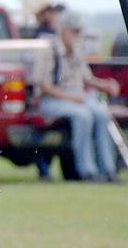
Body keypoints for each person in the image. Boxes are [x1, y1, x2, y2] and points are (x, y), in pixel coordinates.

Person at [35, 11, 121, 182]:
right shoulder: (49, 51)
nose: (78, 35)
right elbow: (43, 86)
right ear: (63, 31)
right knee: (83, 116)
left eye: (79, 31)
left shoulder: (78, 50)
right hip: (53, 101)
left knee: (102, 114)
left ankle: (108, 169)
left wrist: (106, 85)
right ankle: (86, 170)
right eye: (74, 31)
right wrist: (70, 98)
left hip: (77, 98)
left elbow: (86, 78)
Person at [28, 0, 65, 179]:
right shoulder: (41, 38)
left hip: (52, 94)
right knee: (42, 136)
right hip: (43, 95)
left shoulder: (52, 36)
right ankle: (44, 169)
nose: (54, 15)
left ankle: (45, 169)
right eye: (49, 12)